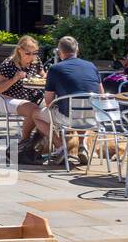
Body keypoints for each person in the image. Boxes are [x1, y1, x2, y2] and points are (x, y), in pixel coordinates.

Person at [33, 36, 104, 166]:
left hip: (68, 118)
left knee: (36, 115)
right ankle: (82, 145)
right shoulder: (91, 66)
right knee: (83, 111)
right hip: (92, 117)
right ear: (77, 49)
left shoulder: (55, 69)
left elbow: (49, 102)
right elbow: (101, 94)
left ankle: (61, 147)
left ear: (60, 52)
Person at [0, 36, 47, 151]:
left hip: (32, 98)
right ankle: (24, 141)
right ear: (19, 50)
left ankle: (39, 141)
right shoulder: (9, 64)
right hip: (7, 99)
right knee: (35, 111)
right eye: (28, 53)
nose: (32, 56)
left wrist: (47, 77)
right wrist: (14, 79)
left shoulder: (36, 61)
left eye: (35, 53)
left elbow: (43, 76)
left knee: (49, 110)